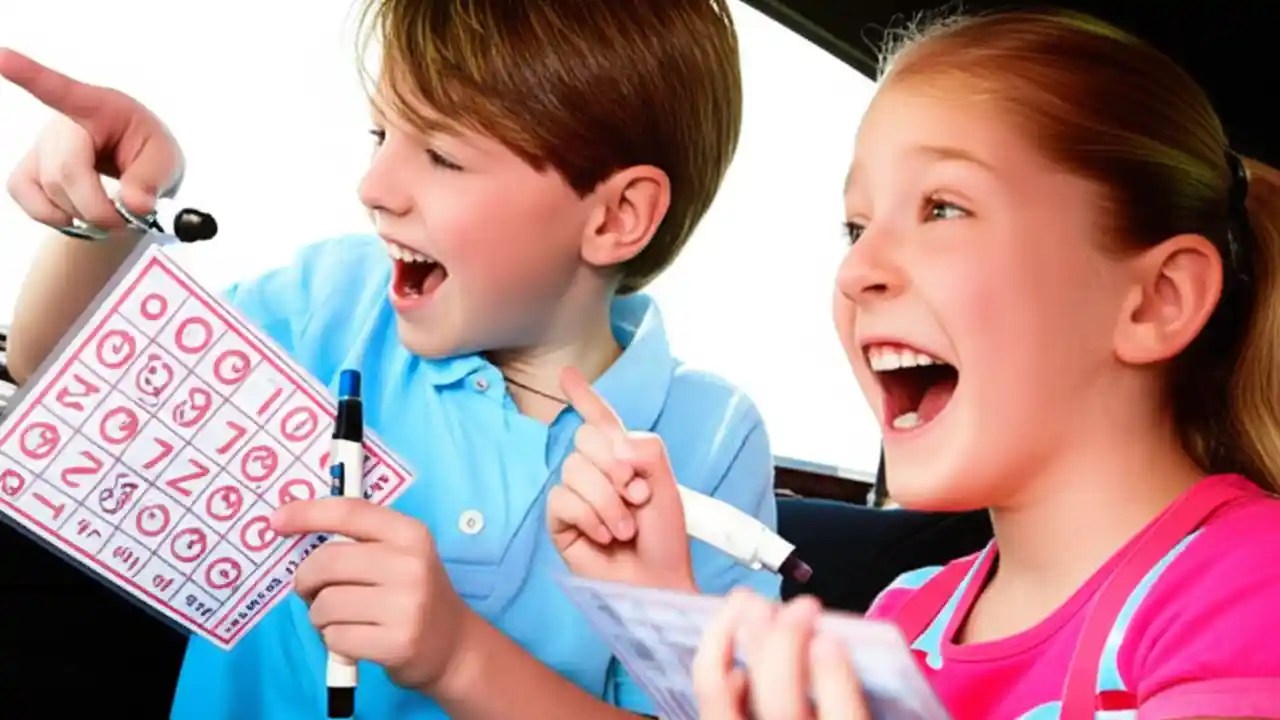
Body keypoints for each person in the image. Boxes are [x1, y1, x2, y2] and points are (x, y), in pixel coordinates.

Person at [0, 0, 782, 717]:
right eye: (381, 136)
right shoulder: (332, 302)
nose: (374, 186)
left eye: (441, 154)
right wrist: (105, 217)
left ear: (616, 216)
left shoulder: (710, 439)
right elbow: (48, 361)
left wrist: (456, 653)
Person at [555, 7, 1280, 719]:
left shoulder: (1248, 587)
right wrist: (664, 608)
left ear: (1157, 299)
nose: (857, 270)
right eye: (856, 227)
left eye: (943, 208)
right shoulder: (908, 615)